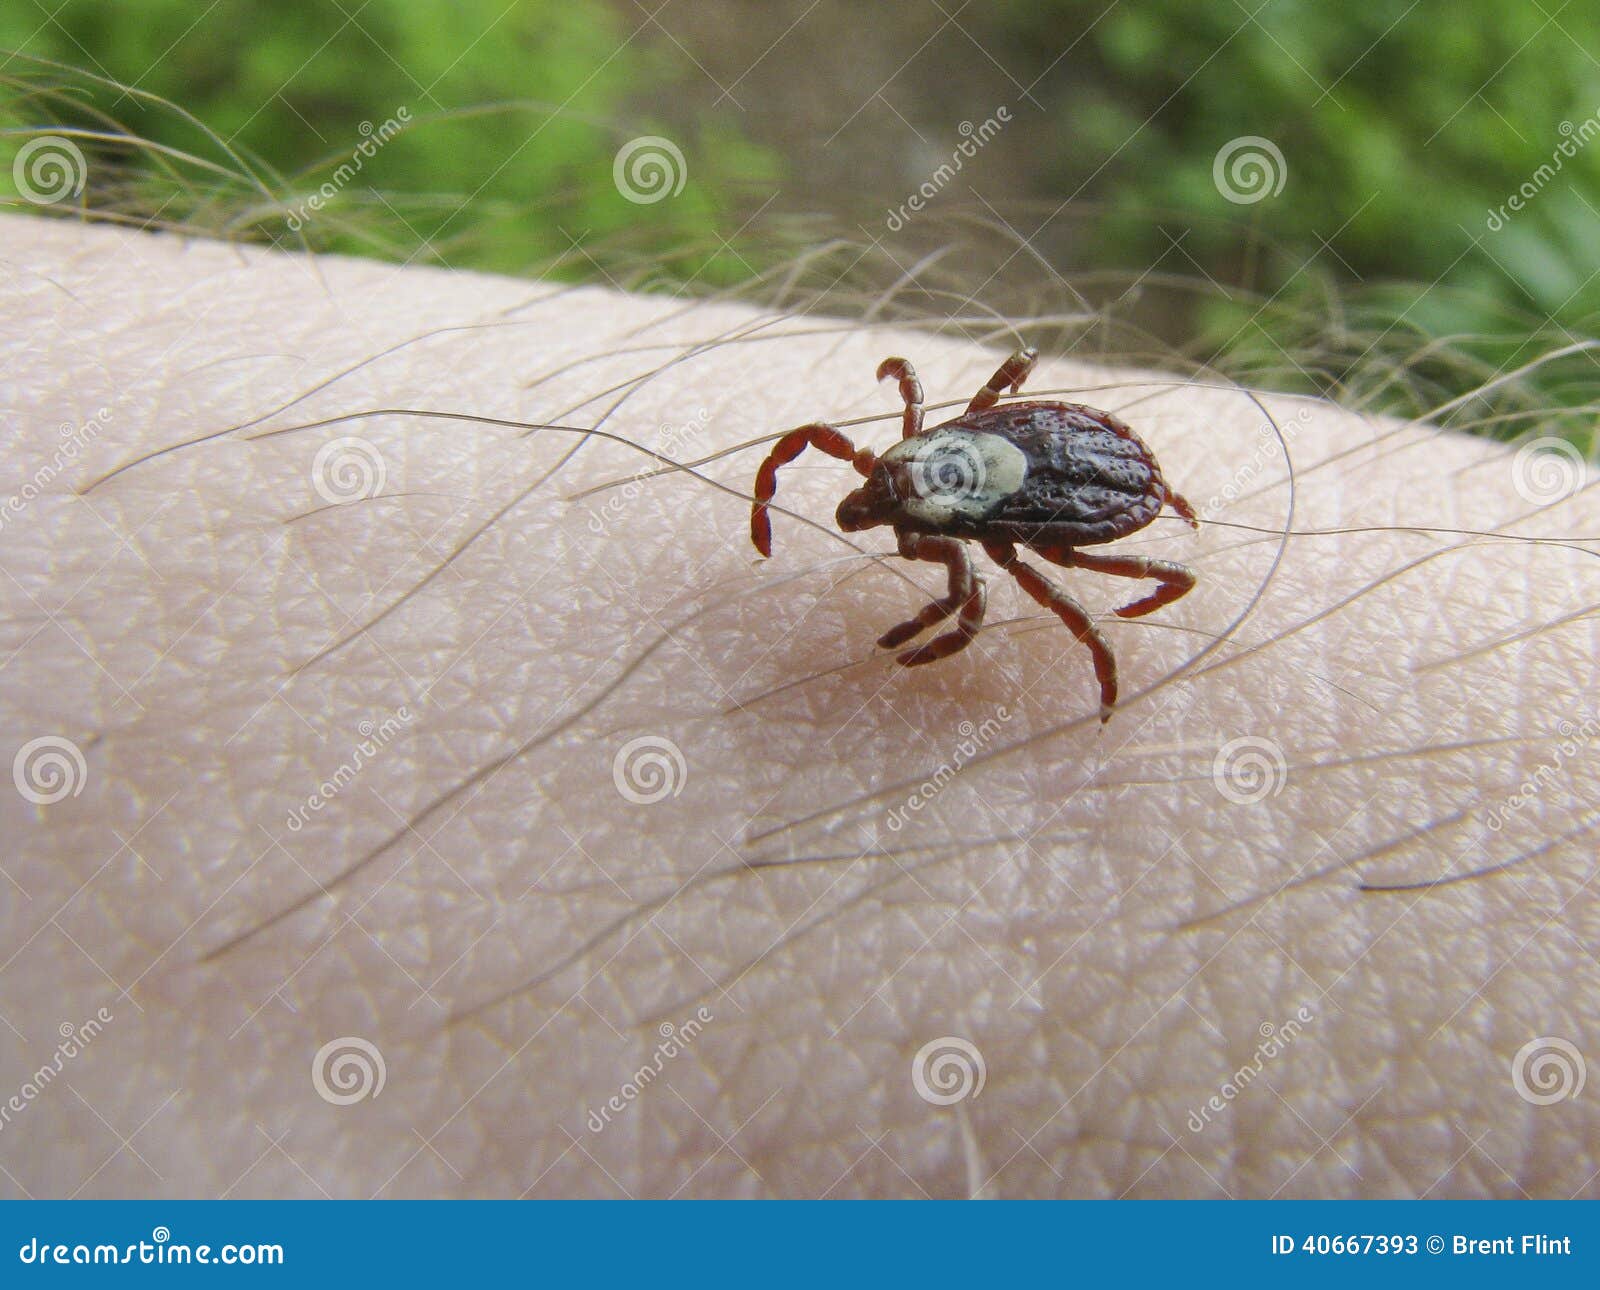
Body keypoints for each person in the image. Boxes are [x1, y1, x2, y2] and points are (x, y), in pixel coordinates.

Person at [2, 212, 1594, 1198]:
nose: (890, 508)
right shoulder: (923, 460)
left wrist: (926, 629)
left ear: (932, 478)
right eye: (893, 489)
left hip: (1067, 477)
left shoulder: (976, 548)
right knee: (1036, 587)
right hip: (1073, 454)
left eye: (903, 504)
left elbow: (977, 595)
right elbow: (966, 445)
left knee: (1057, 622)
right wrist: (867, 523)